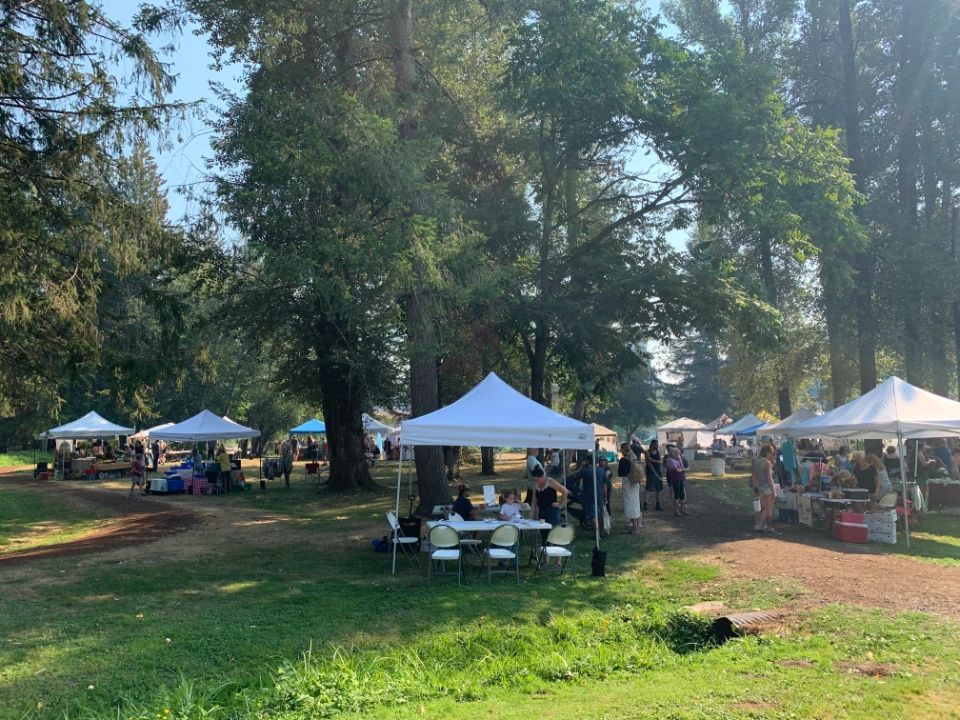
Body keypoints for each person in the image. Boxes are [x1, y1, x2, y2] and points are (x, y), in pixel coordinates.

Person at [529, 466, 567, 549]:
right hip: (542, 512)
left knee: (555, 533)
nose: (536, 481)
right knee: (544, 534)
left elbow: (564, 491)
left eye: (537, 479)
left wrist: (561, 504)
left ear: (542, 476)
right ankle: (545, 559)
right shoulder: (535, 483)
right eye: (534, 480)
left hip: (552, 512)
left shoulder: (550, 481)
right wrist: (532, 512)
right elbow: (534, 499)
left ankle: (558, 561)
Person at [751, 444, 778, 535]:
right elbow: (770, 479)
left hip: (759, 487)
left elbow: (753, 477)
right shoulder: (767, 463)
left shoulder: (756, 461)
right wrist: (774, 491)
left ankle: (759, 525)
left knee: (761, 508)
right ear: (767, 453)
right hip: (767, 488)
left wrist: (755, 488)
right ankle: (767, 527)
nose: (772, 455)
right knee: (768, 508)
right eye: (772, 453)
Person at [618, 442, 643, 534]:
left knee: (630, 504)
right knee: (636, 503)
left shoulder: (623, 460)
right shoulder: (634, 458)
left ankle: (634, 528)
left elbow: (621, 473)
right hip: (636, 482)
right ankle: (637, 527)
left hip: (628, 483)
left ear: (622, 450)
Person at [665, 446, 688, 517]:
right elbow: (677, 470)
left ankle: (682, 510)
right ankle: (676, 511)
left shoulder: (678, 459)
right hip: (675, 479)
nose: (678, 454)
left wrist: (680, 462)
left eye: (678, 453)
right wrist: (682, 469)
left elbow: (682, 468)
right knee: (676, 495)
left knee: (682, 495)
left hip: (680, 478)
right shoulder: (670, 460)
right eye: (677, 453)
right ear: (673, 453)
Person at [644, 439, 664, 512]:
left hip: (658, 471)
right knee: (648, 488)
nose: (657, 446)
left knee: (658, 488)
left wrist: (652, 460)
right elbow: (649, 464)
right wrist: (655, 473)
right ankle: (645, 503)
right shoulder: (647, 452)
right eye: (655, 444)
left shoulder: (658, 452)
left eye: (657, 444)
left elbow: (660, 462)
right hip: (650, 472)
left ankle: (658, 504)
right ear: (652, 444)